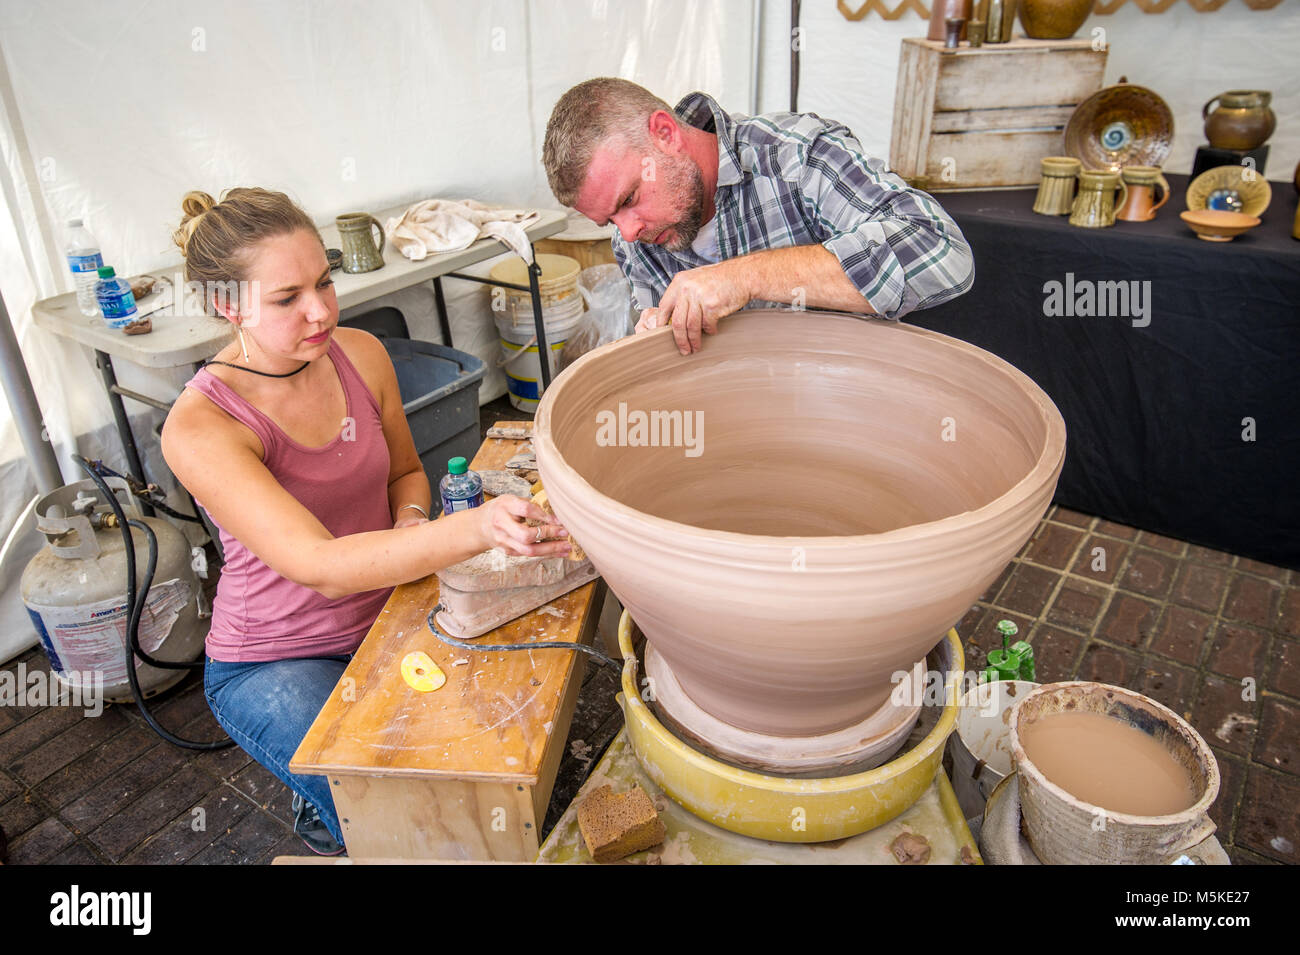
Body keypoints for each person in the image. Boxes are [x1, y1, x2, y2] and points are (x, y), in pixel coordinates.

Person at [161, 188, 570, 855]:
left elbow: (405, 473)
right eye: (288, 298)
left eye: (324, 280)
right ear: (227, 305)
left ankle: (327, 807)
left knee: (486, 764)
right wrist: (474, 528)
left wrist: (413, 520)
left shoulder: (360, 353)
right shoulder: (203, 425)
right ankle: (332, 813)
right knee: (411, 825)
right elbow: (322, 569)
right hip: (278, 656)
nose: (321, 310)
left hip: (390, 604)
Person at [542, 78, 974, 355]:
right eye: (610, 223)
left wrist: (745, 278)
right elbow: (681, 363)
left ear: (665, 134)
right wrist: (660, 334)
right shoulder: (637, 238)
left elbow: (942, 251)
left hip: (852, 412)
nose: (629, 231)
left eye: (630, 198)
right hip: (735, 429)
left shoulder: (795, 158)